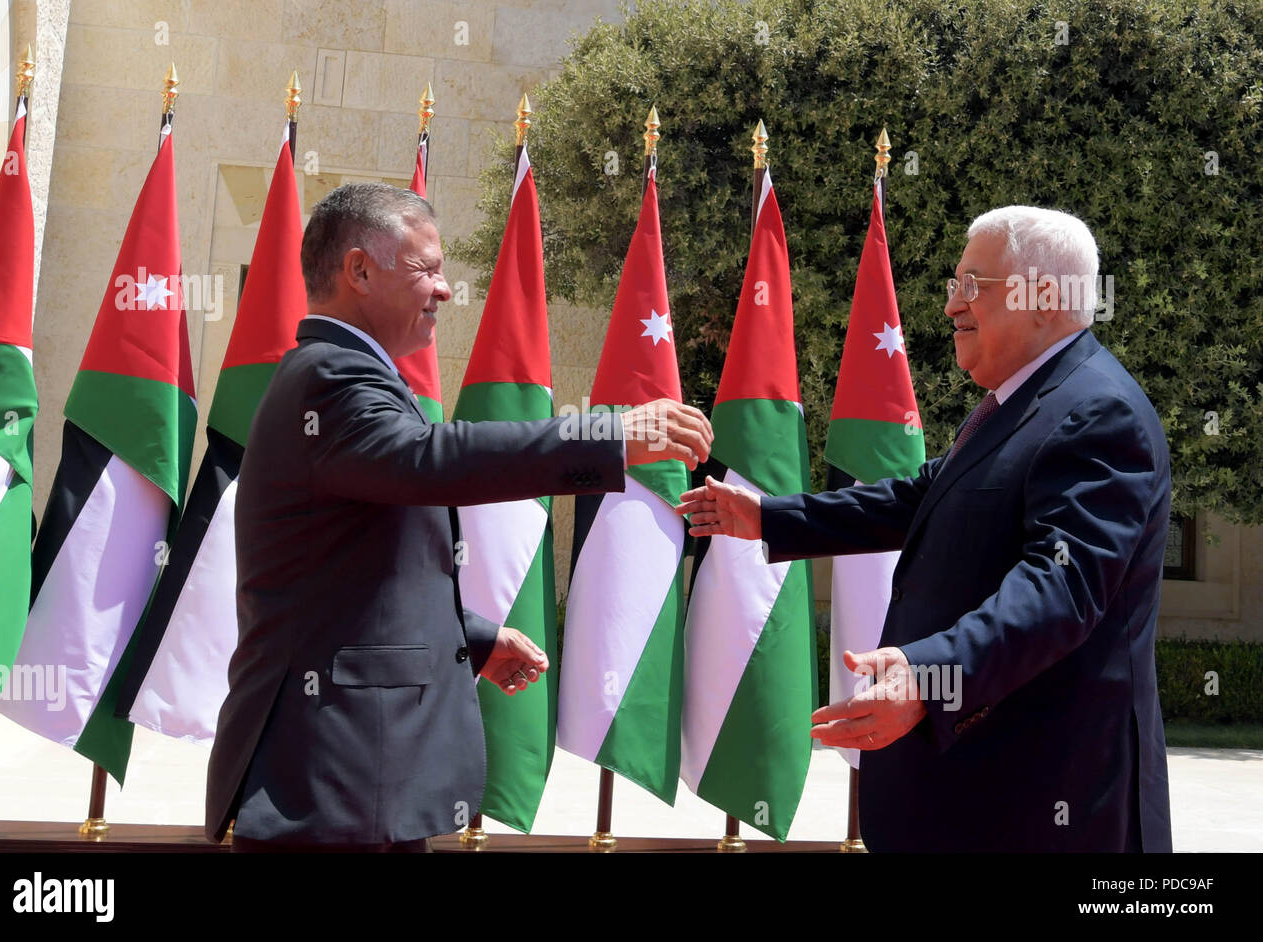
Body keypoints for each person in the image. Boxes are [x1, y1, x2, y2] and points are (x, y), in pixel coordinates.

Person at [205, 183, 712, 852]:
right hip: (332, 781)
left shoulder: (351, 376)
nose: (445, 289)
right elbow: (428, 459)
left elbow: (354, 570)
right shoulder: (331, 377)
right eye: (426, 268)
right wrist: (607, 435)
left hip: (357, 782)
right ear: (359, 271)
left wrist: (467, 637)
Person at [676, 206, 1173, 852]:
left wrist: (927, 675)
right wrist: (767, 518)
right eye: (952, 286)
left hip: (1043, 808)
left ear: (1044, 297)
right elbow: (923, 496)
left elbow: (1058, 592)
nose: (951, 307)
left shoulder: (1100, 415)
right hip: (975, 801)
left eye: (973, 285)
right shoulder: (1025, 402)